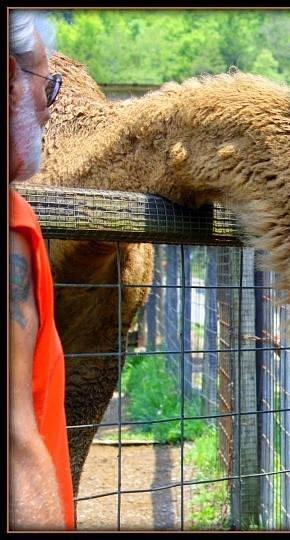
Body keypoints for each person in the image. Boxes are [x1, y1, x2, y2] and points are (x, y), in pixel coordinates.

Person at [8, 10, 74, 530]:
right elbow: (15, 438)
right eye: (48, 88)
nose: (51, 110)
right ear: (9, 81)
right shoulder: (12, 226)